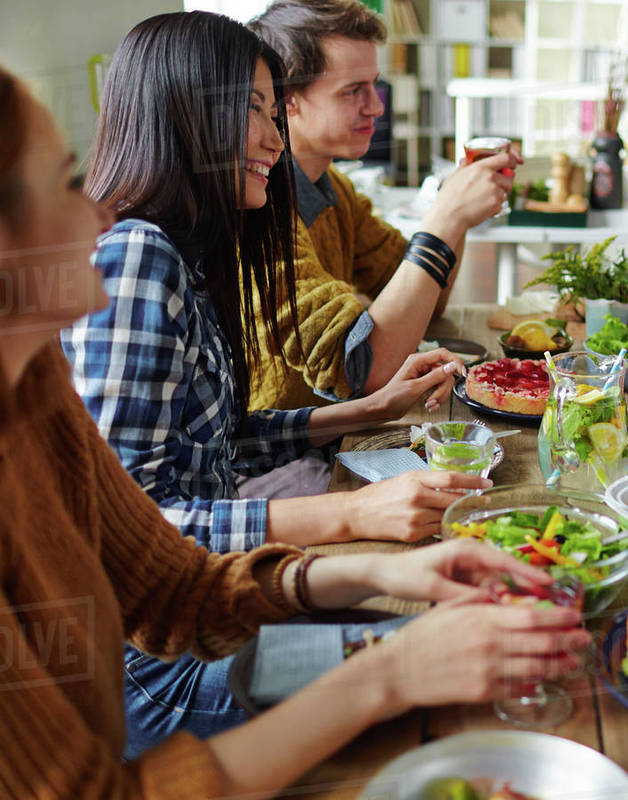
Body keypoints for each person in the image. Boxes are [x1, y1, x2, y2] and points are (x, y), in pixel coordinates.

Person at [0, 62, 588, 799]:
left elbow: (169, 585)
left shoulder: (35, 393)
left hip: (167, 655)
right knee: (495, 672)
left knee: (478, 640)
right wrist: (388, 665)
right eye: (62, 183)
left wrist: (375, 572)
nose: (96, 216)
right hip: (150, 693)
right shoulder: (139, 256)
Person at [60, 12, 491, 755]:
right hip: (151, 670)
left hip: (212, 607)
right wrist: (350, 513)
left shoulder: (189, 252)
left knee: (456, 634)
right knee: (455, 674)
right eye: (253, 111)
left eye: (272, 111)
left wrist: (364, 410)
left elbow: (220, 442)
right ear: (185, 115)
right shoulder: (136, 260)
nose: (274, 138)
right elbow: (134, 525)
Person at [245, 0, 517, 415]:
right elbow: (362, 369)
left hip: (338, 430)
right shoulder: (259, 212)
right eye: (353, 90)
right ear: (287, 100)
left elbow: (427, 302)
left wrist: (458, 205)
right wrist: (445, 217)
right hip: (284, 446)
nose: (376, 106)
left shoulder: (335, 189)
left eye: (374, 85)